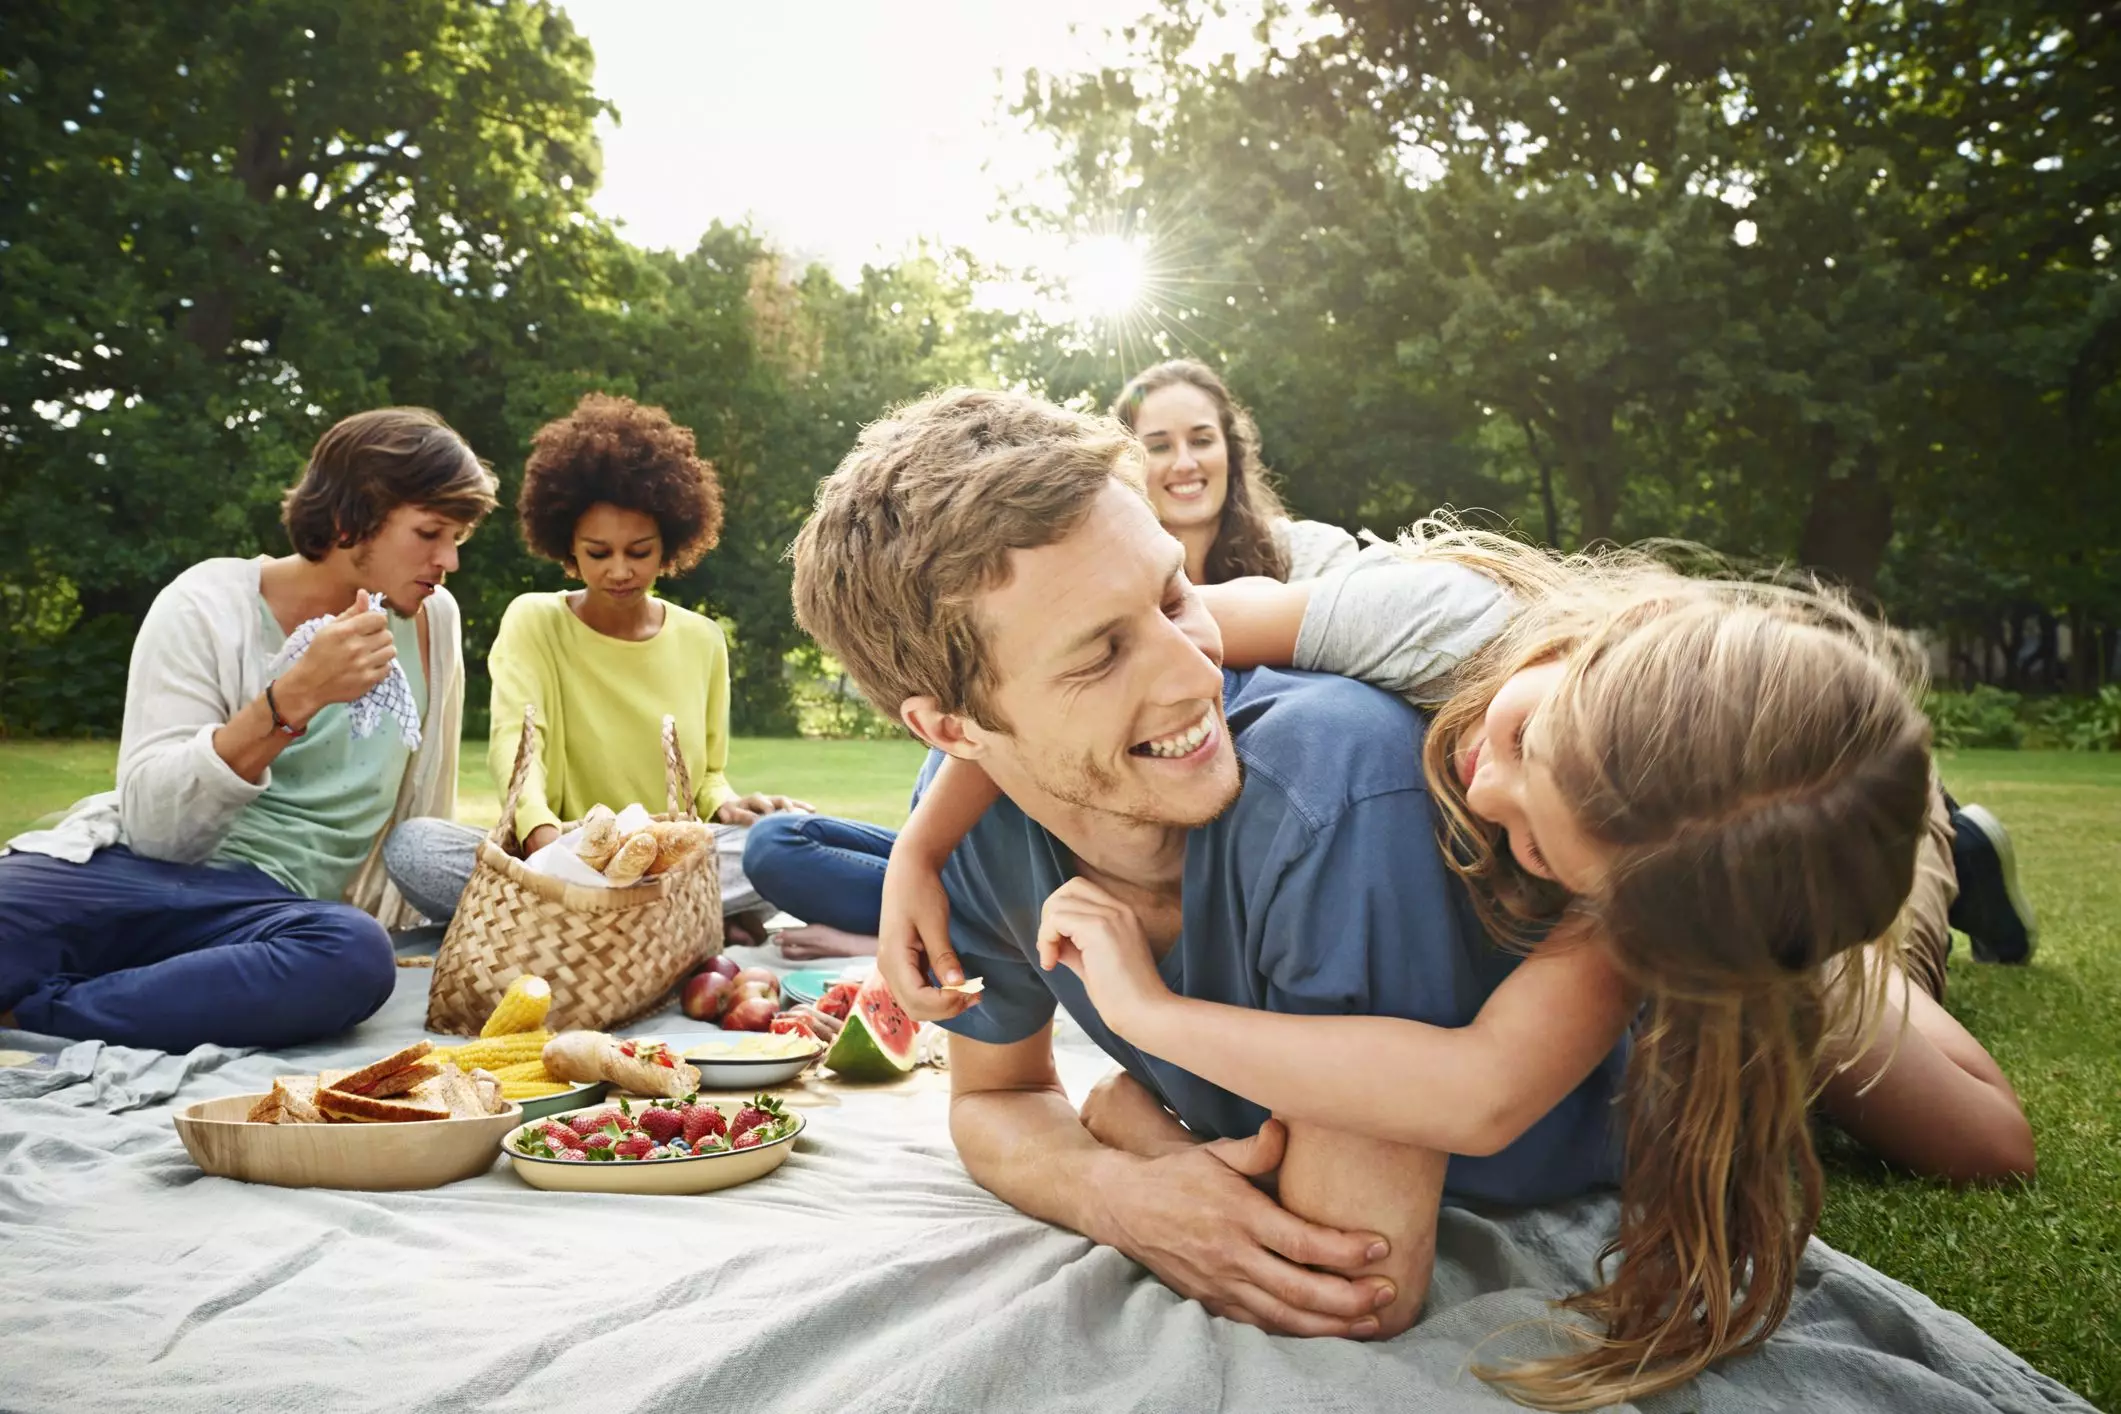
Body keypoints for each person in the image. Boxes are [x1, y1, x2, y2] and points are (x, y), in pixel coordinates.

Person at [879, 528, 2038, 1407]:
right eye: (1529, 741)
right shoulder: (1438, 626)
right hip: (1659, 856)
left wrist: (1149, 1028)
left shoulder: (1640, 899)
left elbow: (1478, 1093)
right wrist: (922, 846)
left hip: (1734, 951)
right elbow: (1129, 662)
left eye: (1537, 840)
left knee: (1971, 1131)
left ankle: (1924, 879)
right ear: (1603, 652)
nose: (1487, 785)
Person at [789, 386, 1632, 1349]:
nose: (1197, 673)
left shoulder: (1334, 787)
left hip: (1586, 1109)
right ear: (953, 727)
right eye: (1102, 653)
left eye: (1169, 595)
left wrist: (1136, 1128)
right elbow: (995, 1097)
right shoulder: (970, 824)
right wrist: (1115, 1191)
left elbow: (1355, 1277)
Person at [745, 357, 1359, 959]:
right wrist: (919, 850)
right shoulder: (1046, 568)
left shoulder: (1300, 561)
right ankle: (953, 937)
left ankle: (957, 935)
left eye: (1202, 439)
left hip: (1237, 833)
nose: (1186, 462)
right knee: (776, 842)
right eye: (1161, 444)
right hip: (1087, 815)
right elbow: (1000, 727)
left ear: (1233, 448)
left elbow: (1416, 618)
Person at [0, 408, 495, 1051]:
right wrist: (293, 698)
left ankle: (37, 1016)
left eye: (456, 537)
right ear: (350, 521)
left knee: (353, 956)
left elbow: (424, 804)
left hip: (271, 914)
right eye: (430, 533)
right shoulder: (203, 604)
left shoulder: (431, 621)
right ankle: (144, 993)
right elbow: (156, 829)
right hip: (131, 875)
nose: (449, 559)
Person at [383, 394, 806, 940]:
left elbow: (707, 779)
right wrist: (538, 837)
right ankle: (679, 923)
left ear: (670, 543)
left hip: (666, 864)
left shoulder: (702, 639)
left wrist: (729, 808)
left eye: (640, 551)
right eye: (599, 553)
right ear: (568, 549)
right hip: (563, 856)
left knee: (783, 841)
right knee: (414, 847)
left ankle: (589, 925)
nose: (621, 571)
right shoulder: (534, 620)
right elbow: (517, 745)